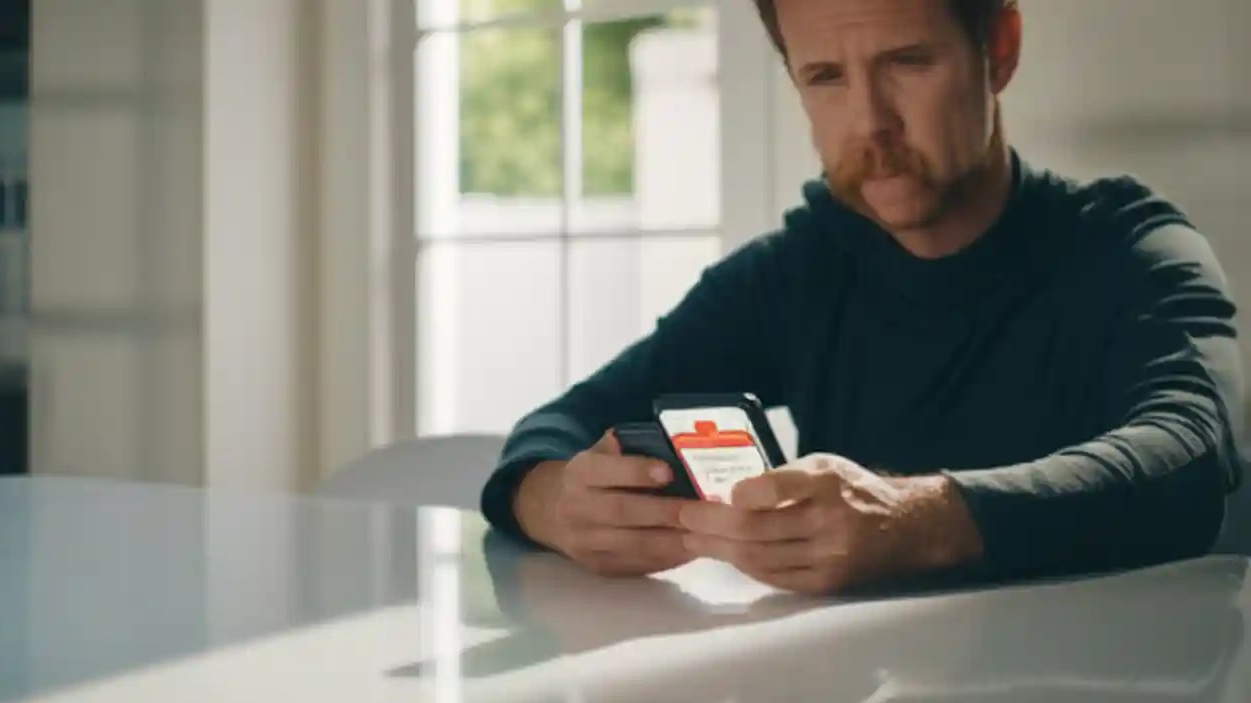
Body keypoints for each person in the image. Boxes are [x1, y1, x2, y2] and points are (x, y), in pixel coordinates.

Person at [478, 0, 1243, 593]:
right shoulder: (798, 271)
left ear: (1000, 49)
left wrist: (918, 521)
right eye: (826, 78)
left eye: (907, 62)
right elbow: (557, 427)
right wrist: (556, 503)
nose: (871, 123)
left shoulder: (1130, 249)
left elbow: (1191, 459)